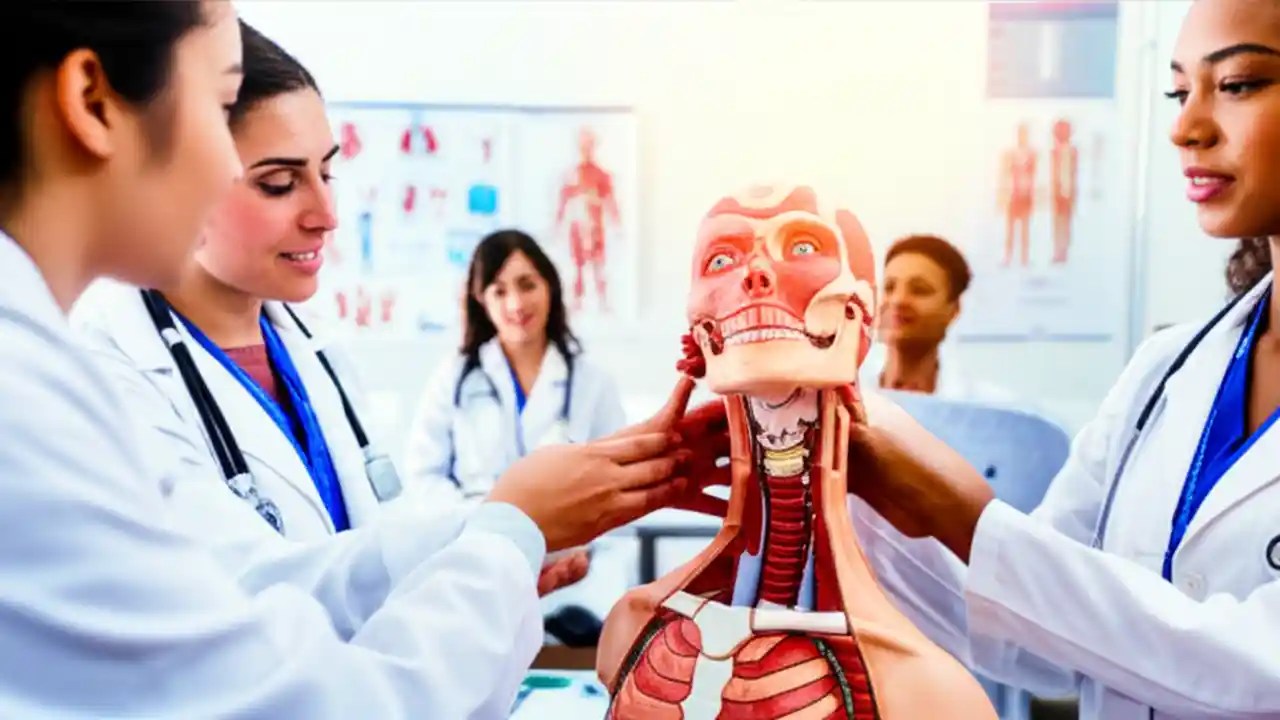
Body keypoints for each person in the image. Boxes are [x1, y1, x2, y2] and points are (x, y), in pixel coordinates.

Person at [0, 3, 709, 716]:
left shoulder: (309, 348)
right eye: (220, 113)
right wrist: (506, 532)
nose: (327, 212)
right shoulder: (44, 396)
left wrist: (509, 538)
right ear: (93, 102)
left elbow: (339, 578)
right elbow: (299, 692)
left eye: (327, 173)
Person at [842, 0, 1280, 716]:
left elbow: (1263, 669)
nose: (1185, 126)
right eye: (1178, 91)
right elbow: (1037, 643)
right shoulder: (1166, 371)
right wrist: (852, 490)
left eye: (1236, 84)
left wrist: (962, 510)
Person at [403, 228, 630, 631]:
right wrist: (479, 523)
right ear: (481, 299)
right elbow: (424, 477)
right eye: (499, 290)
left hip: (573, 578)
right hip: (476, 564)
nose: (516, 303)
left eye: (527, 285)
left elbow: (622, 484)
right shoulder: (453, 378)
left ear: (550, 287)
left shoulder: (592, 382)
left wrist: (583, 546)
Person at [862, 233, 1015, 405]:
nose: (898, 300)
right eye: (889, 287)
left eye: (920, 290)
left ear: (954, 309)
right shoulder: (843, 394)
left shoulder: (986, 408)